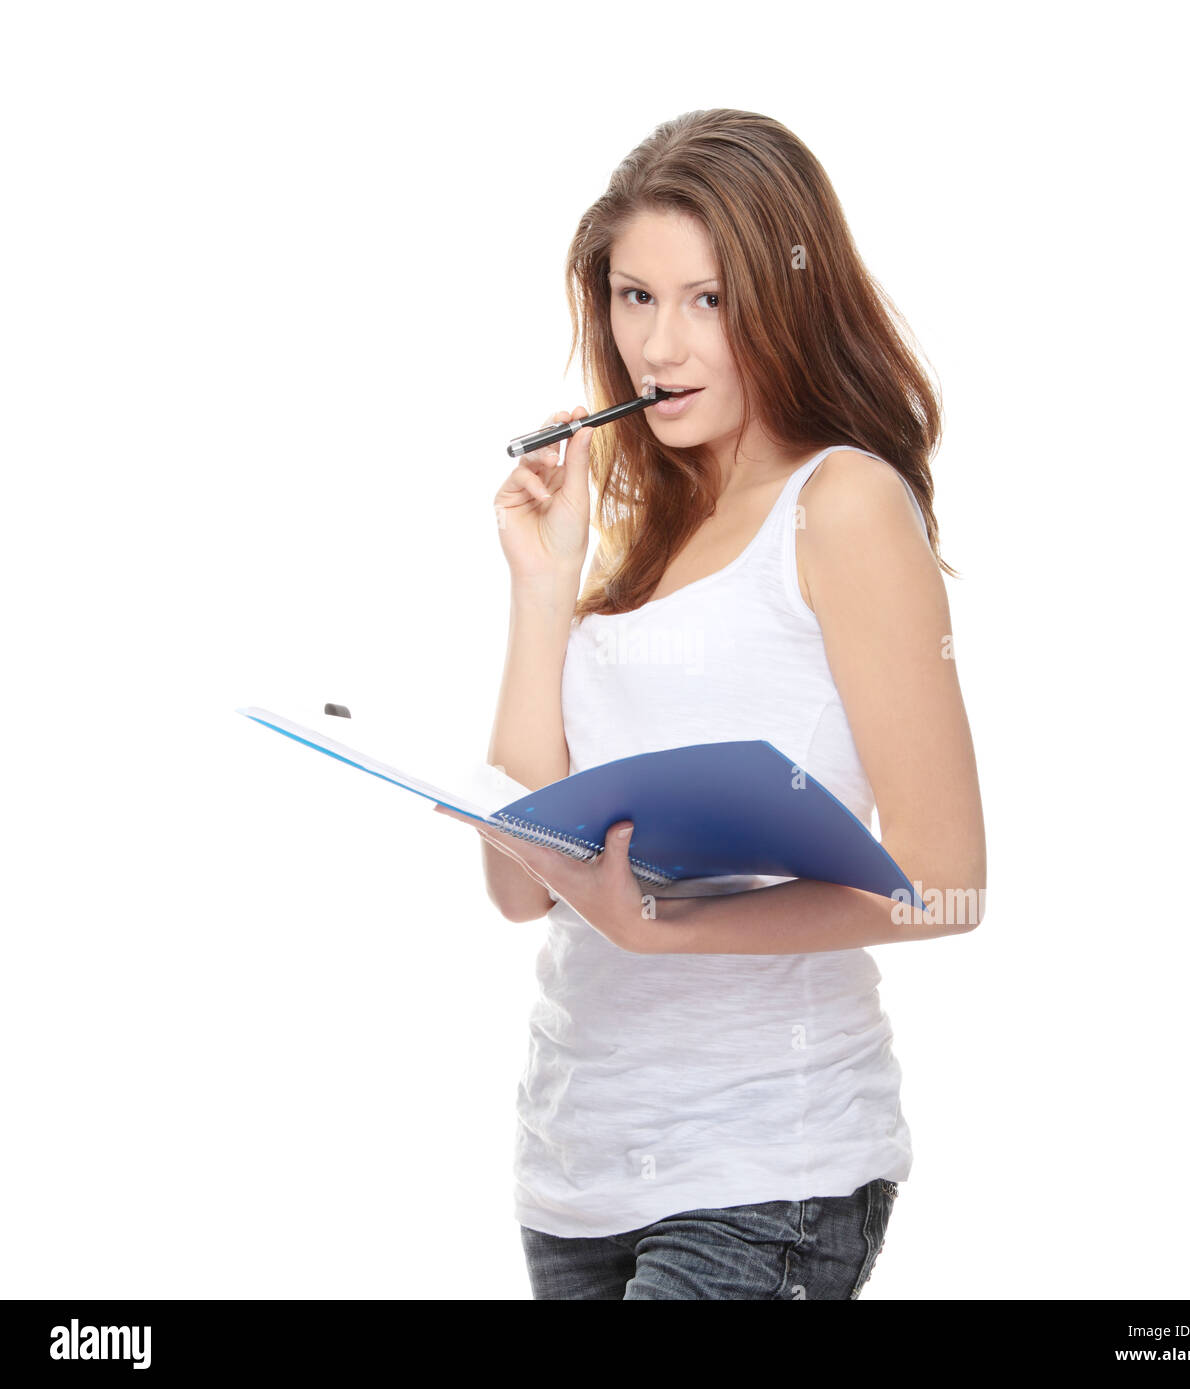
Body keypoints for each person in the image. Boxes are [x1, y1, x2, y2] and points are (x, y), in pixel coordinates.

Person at [436, 108, 986, 1300]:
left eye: (709, 299)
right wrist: (544, 588)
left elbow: (949, 884)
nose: (659, 344)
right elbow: (517, 885)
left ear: (789, 301)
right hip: (573, 1175)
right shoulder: (637, 541)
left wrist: (667, 927)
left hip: (765, 1175)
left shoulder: (841, 505)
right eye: (634, 296)